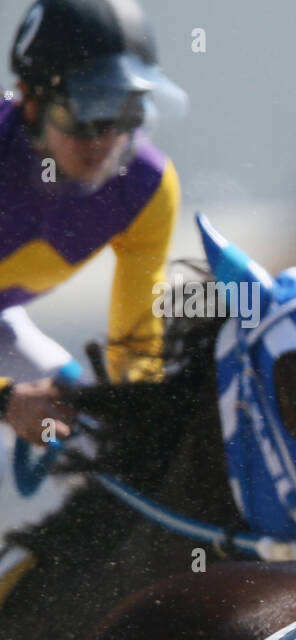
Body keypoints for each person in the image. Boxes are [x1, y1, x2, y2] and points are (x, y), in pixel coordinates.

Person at [0, 0, 184, 446]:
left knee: (86, 417)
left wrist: (137, 421)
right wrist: (6, 401)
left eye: (127, 111)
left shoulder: (148, 189)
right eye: (87, 111)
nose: (106, 139)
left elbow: (135, 351)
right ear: (30, 102)